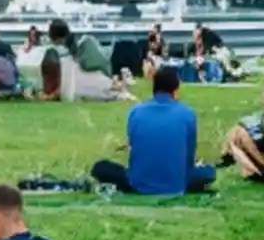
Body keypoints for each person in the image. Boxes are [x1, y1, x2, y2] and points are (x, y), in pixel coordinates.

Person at [90, 66, 215, 195]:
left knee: (101, 167)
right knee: (208, 172)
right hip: (176, 184)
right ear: (175, 90)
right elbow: (188, 159)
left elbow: (134, 151)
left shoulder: (136, 112)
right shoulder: (187, 114)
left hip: (138, 184)